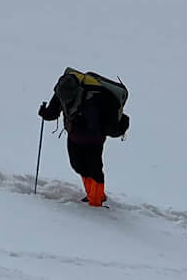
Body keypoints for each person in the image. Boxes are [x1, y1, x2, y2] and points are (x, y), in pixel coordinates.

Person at [37, 68, 129, 206]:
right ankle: (93, 194)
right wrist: (45, 113)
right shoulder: (62, 91)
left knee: (94, 168)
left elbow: (105, 127)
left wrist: (120, 126)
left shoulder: (94, 98)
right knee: (78, 165)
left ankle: (96, 201)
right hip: (74, 136)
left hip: (94, 139)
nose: (64, 101)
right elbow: (54, 111)